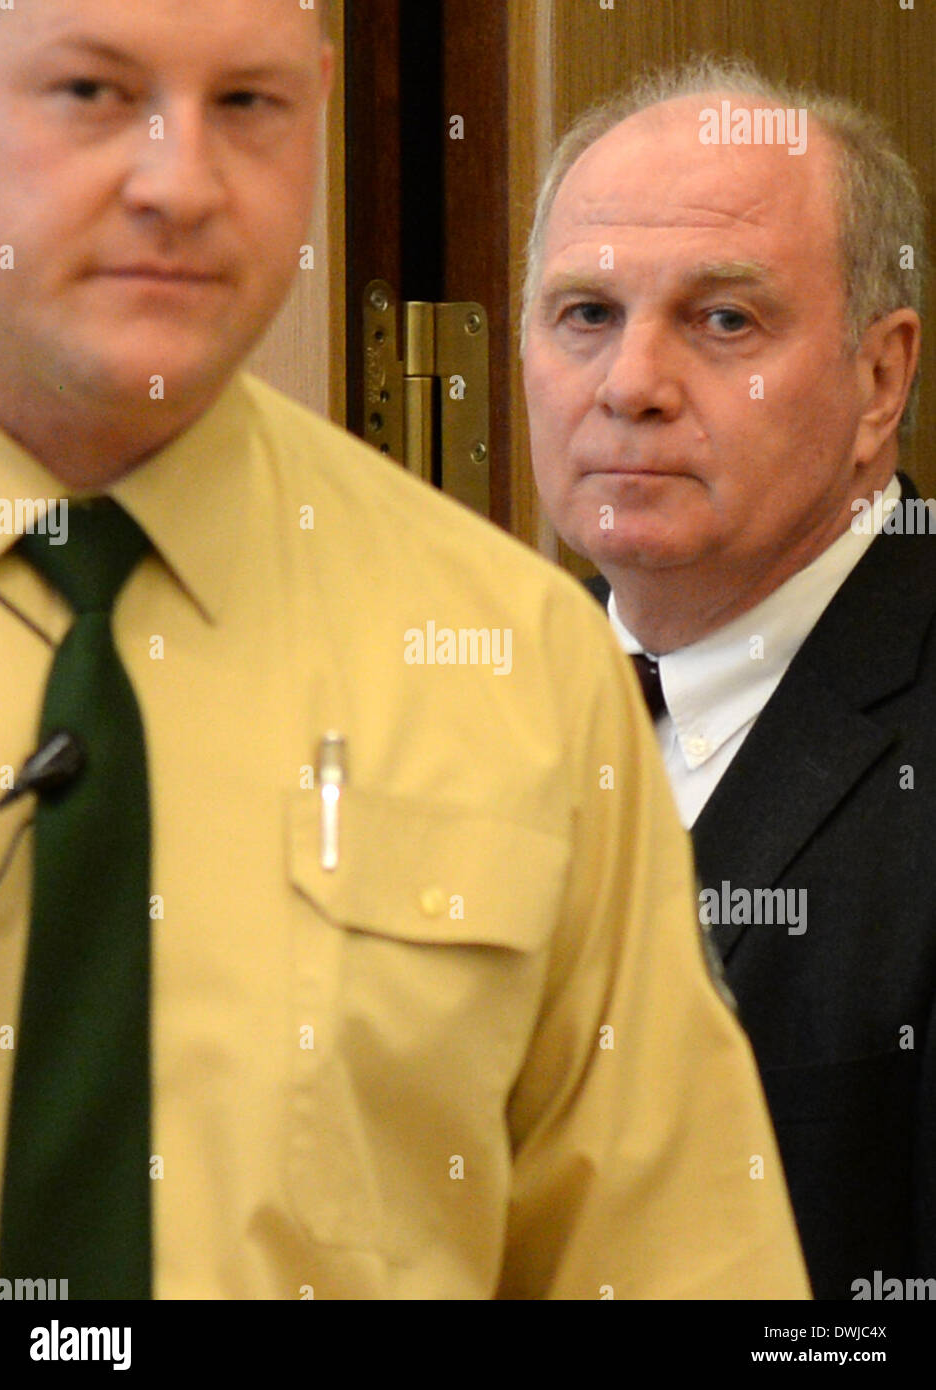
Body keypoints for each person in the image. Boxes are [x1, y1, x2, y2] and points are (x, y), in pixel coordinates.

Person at [0, 6, 808, 1300]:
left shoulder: (517, 659)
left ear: (316, 108)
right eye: (93, 91)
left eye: (248, 106)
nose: (180, 182)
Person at [523, 54, 934, 1301]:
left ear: (878, 380)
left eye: (722, 321)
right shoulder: (464, 697)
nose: (631, 386)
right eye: (585, 314)